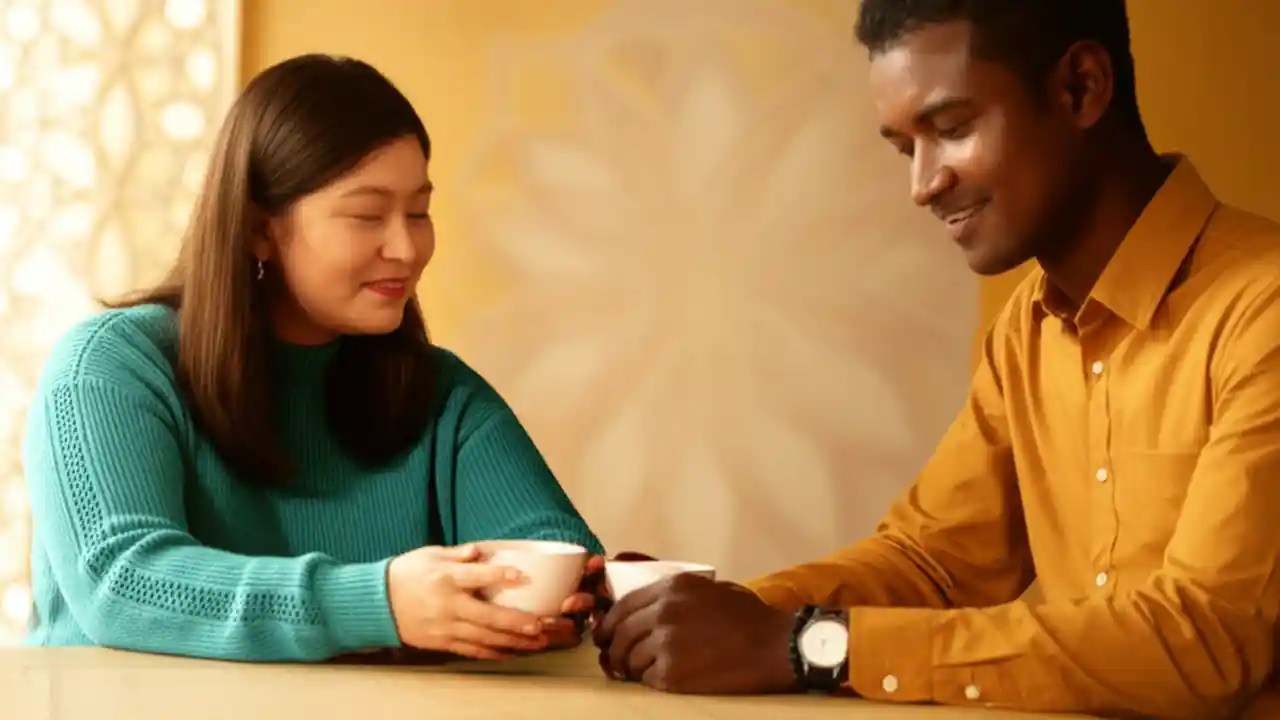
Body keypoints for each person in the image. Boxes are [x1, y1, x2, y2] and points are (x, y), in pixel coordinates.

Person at [594, 2, 1280, 717]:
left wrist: (809, 644)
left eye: (952, 129)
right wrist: (724, 614)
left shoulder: (1263, 312)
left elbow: (1203, 641)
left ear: (1081, 87)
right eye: (904, 148)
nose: (923, 184)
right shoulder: (1030, 329)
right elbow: (936, 562)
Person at [23, 54, 605, 664]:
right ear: (258, 229)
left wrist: (575, 600)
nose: (406, 248)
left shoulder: (442, 395)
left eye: (418, 212)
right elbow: (120, 583)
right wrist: (378, 603)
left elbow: (559, 555)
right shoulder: (112, 367)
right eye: (366, 216)